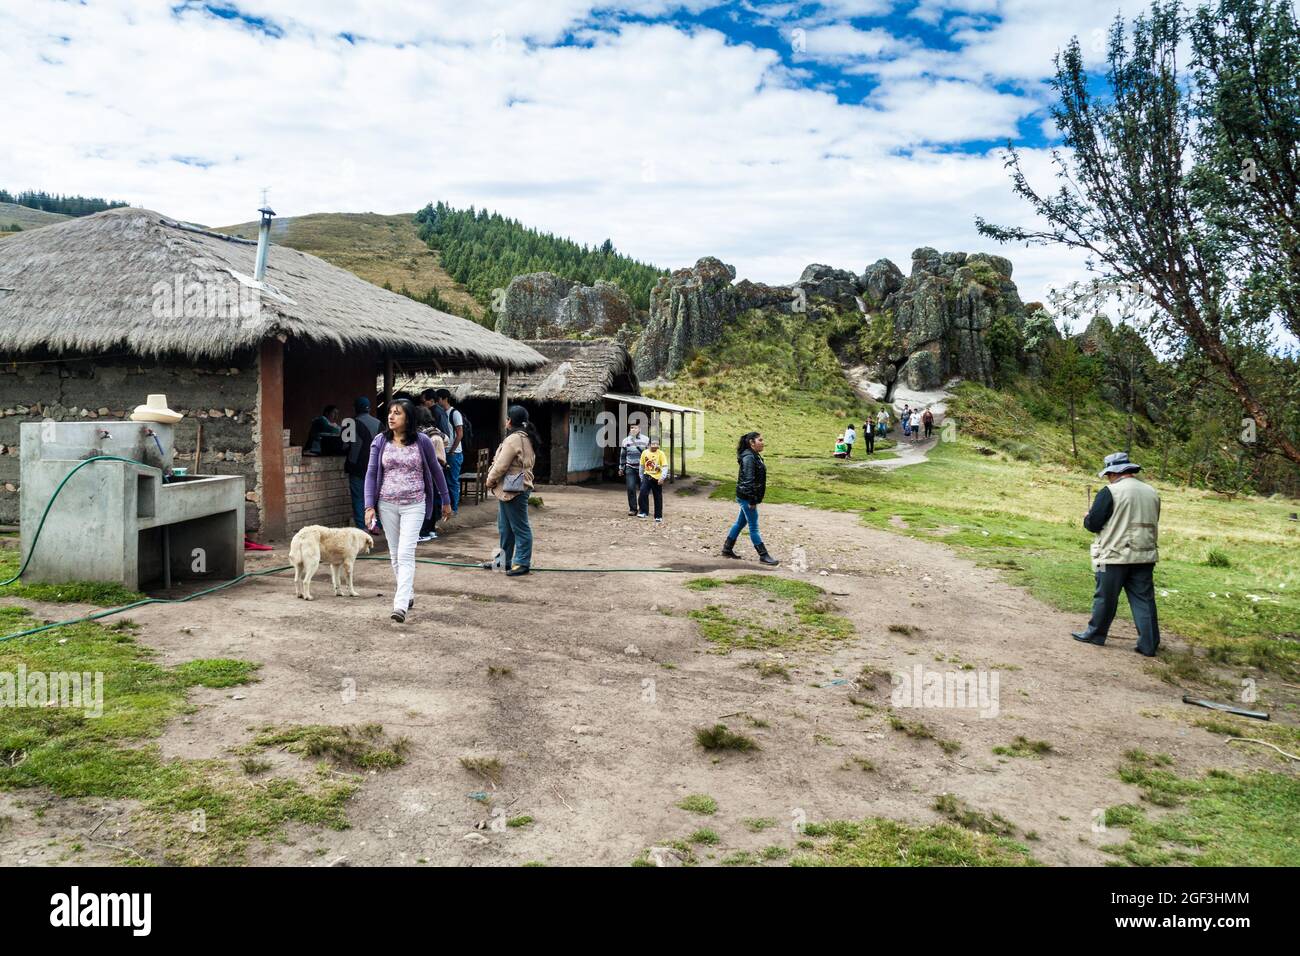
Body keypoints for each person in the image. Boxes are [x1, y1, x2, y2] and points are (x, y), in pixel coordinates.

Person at [364, 398, 451, 623]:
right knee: (394, 554)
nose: (391, 417)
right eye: (390, 413)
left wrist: (446, 499)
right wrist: (369, 506)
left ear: (408, 418)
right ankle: (408, 594)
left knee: (405, 553)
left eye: (397, 413)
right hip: (386, 504)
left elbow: (436, 470)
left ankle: (400, 605)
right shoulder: (380, 441)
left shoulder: (422, 441)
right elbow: (371, 473)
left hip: (415, 504)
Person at [1072, 452, 1162, 657]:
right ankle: (1149, 644)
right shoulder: (1152, 492)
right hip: (1145, 555)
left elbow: (1093, 524)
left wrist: (1087, 518)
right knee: (1144, 600)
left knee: (1105, 596)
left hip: (1112, 555)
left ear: (1113, 472)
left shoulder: (1109, 492)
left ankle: (1095, 634)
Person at [485, 404, 539, 577]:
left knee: (519, 527)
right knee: (505, 527)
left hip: (513, 487)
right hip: (516, 486)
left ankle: (522, 563)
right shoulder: (526, 437)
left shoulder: (513, 439)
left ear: (509, 421)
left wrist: (490, 480)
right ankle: (502, 561)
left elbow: (501, 465)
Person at [721, 431, 778, 566]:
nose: (763, 442)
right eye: (760, 440)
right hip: (747, 497)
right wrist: (752, 500)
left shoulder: (754, 456)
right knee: (753, 526)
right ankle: (763, 555)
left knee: (740, 523)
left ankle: (727, 548)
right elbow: (748, 481)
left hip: (746, 496)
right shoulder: (749, 457)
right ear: (752, 443)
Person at [344, 397, 381, 530]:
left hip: (356, 466)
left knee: (358, 498)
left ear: (355, 408)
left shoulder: (349, 423)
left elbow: (343, 445)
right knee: (374, 498)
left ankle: (362, 527)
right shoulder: (379, 423)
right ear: (369, 408)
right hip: (375, 467)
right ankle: (375, 525)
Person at [434, 388, 466, 514]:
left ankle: (454, 508)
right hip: (446, 452)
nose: (437, 402)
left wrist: (452, 450)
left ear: (444, 399)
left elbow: (460, 434)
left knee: (452, 481)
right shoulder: (442, 413)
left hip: (454, 453)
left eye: (438, 399)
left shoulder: (454, 413)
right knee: (445, 481)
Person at [619, 422, 650, 516]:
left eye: (635, 428)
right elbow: (622, 455)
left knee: (643, 489)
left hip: (643, 468)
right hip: (630, 467)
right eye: (631, 428)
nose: (633, 429)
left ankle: (643, 509)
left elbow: (650, 454)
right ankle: (633, 509)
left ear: (639, 429)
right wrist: (621, 467)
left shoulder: (646, 439)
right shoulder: (625, 441)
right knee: (630, 487)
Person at [636, 436, 669, 523]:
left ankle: (658, 516)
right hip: (647, 476)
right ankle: (644, 511)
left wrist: (662, 477)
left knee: (657, 496)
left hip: (657, 478)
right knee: (643, 492)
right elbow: (642, 466)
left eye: (657, 444)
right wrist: (641, 477)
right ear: (649, 444)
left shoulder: (661, 453)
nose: (655, 446)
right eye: (653, 444)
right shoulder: (645, 453)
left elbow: (665, 466)